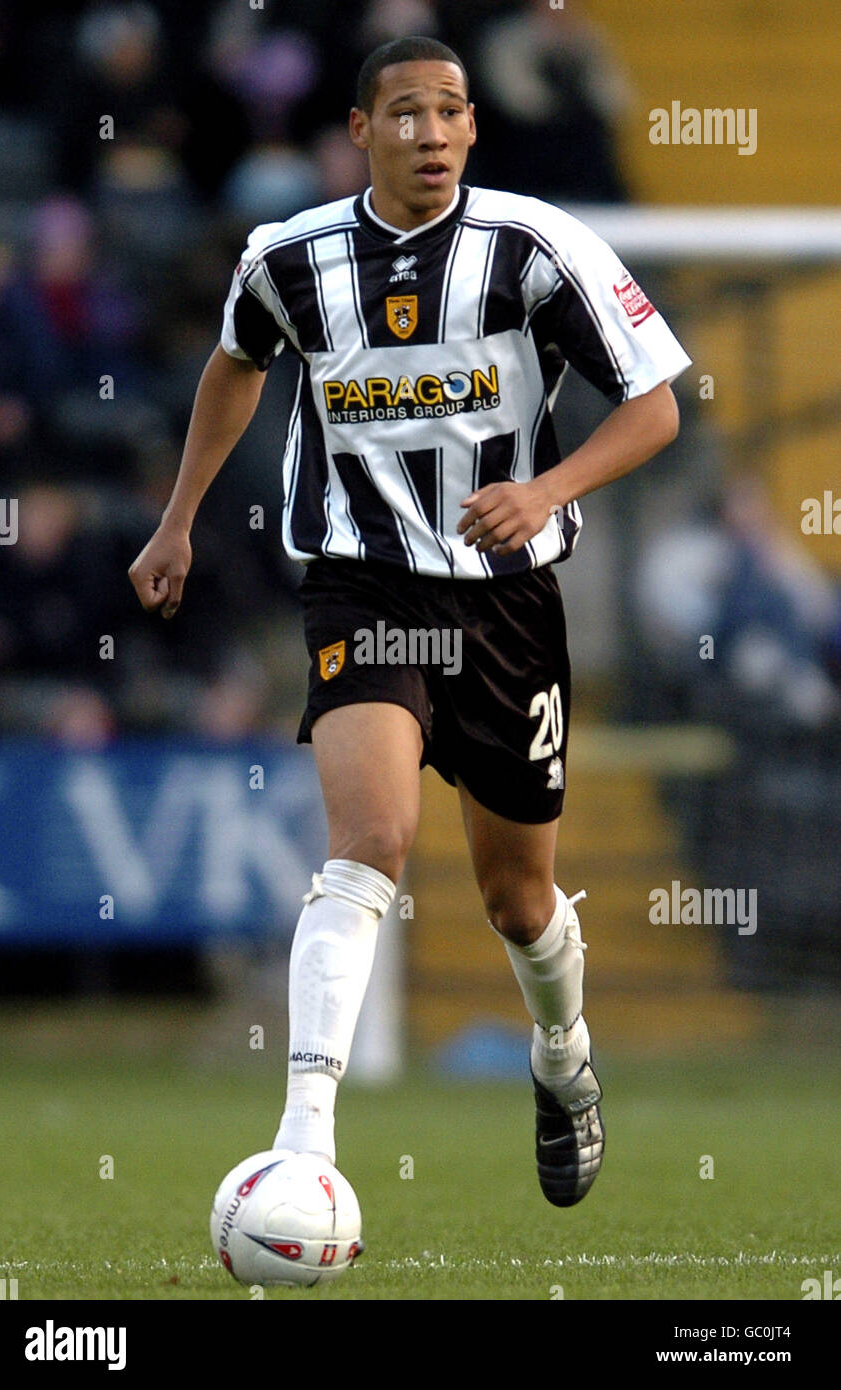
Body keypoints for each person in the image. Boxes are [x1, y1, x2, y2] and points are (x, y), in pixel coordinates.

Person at [128, 35, 691, 1210]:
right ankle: (305, 1145)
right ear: (360, 129)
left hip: (509, 600)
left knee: (517, 902)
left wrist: (543, 490)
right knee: (370, 841)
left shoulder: (534, 246)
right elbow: (235, 363)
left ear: (473, 129)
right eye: (406, 114)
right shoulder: (289, 258)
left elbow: (652, 411)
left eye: (449, 112)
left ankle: (562, 1061)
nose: (429, 133)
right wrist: (177, 519)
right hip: (361, 583)